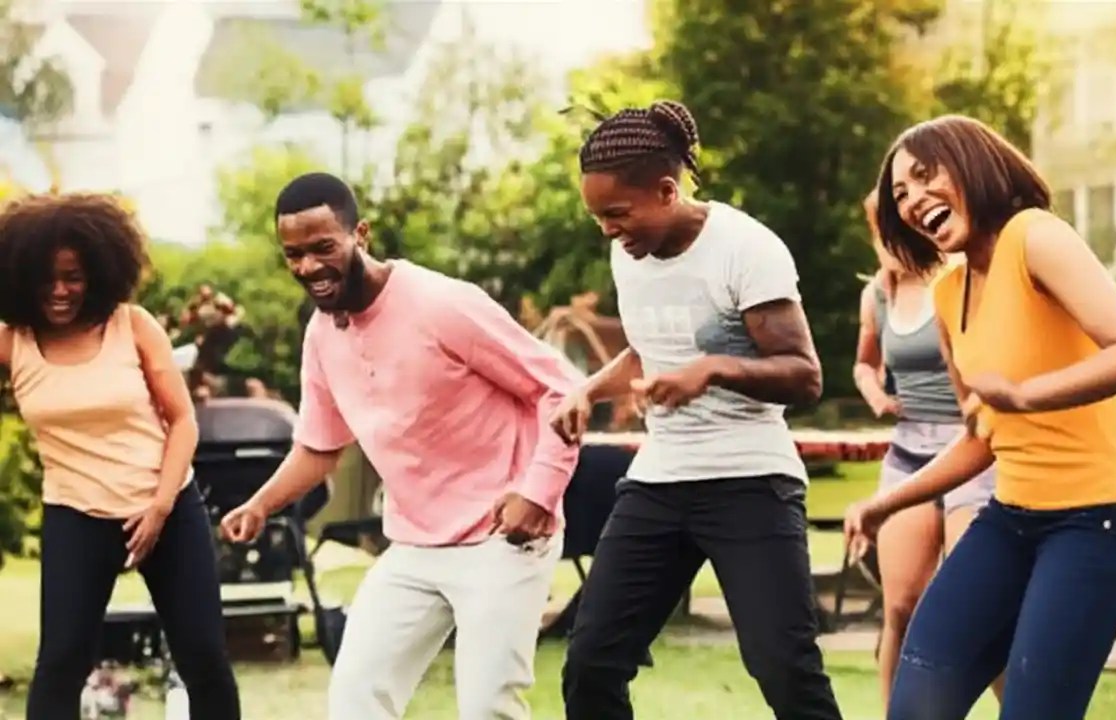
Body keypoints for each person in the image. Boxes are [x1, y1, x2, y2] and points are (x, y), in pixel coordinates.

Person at [218, 172, 582, 720]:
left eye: (323, 248)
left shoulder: (441, 304)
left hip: (500, 540)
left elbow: (559, 386)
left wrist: (539, 493)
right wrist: (260, 504)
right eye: (294, 254)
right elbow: (321, 446)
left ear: (359, 234)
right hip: (413, 545)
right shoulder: (322, 334)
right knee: (356, 701)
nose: (309, 267)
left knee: (489, 709)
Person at [843, 115, 1116, 720]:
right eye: (899, 195)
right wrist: (886, 503)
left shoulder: (1035, 236)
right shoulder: (946, 292)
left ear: (972, 162)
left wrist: (1025, 395)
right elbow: (980, 437)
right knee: (916, 706)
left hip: (1099, 521)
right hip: (1010, 519)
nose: (912, 201)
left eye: (924, 176)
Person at [553, 100, 843, 720]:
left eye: (617, 213)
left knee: (783, 667)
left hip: (750, 480)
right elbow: (650, 348)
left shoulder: (745, 248)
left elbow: (804, 374)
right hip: (660, 480)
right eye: (598, 216)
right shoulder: (628, 251)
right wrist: (588, 389)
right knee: (592, 663)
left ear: (666, 190)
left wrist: (713, 369)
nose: (607, 228)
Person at [0, 193, 240, 720]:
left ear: (99, 273)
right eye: (46, 277)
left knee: (204, 656)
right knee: (60, 662)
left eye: (74, 276)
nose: (60, 290)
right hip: (76, 515)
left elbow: (182, 421)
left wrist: (157, 509)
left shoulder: (131, 325)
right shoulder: (13, 341)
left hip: (166, 508)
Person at [851, 190, 999, 710]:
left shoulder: (961, 283)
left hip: (974, 455)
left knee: (977, 608)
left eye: (894, 228)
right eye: (878, 230)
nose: (885, 242)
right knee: (901, 607)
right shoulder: (879, 293)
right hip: (909, 454)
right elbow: (865, 363)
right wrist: (874, 393)